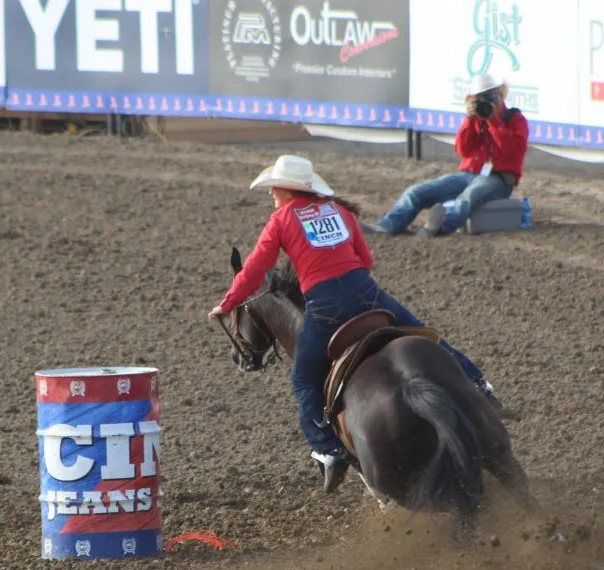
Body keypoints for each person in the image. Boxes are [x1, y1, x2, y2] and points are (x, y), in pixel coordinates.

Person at [208, 155, 498, 493]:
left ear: (287, 190)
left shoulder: (281, 219)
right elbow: (366, 260)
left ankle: (328, 450)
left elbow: (255, 270)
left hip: (326, 308)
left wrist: (226, 305)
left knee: (302, 380)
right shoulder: (339, 211)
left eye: (274, 188)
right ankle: (479, 384)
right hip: (368, 293)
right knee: (429, 337)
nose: (272, 194)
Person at [363, 73, 529, 237]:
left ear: (499, 96)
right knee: (416, 192)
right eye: (480, 99)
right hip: (468, 174)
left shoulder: (515, 119)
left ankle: (440, 227)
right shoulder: (476, 119)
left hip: (499, 179)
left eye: (489, 97)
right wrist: (469, 121)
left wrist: (494, 121)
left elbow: (512, 151)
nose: (486, 103)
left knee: (469, 197)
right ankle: (387, 226)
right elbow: (462, 150)